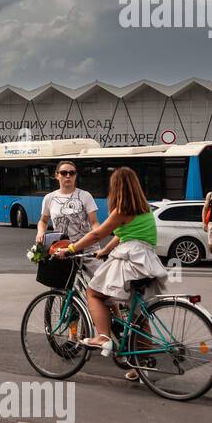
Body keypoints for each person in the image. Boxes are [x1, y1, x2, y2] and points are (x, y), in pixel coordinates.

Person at [56, 167, 168, 382]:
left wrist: (70, 249)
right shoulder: (144, 209)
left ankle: (103, 337)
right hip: (147, 260)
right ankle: (141, 364)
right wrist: (104, 251)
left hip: (131, 259)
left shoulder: (121, 210)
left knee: (94, 293)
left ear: (116, 188)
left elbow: (97, 233)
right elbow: (120, 235)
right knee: (138, 315)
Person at [34, 159, 100, 252]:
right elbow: (43, 221)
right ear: (57, 175)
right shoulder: (49, 198)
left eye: (72, 173)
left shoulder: (85, 196)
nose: (68, 176)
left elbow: (94, 222)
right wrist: (40, 233)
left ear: (75, 176)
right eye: (64, 173)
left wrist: (96, 235)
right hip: (61, 249)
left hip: (86, 248)